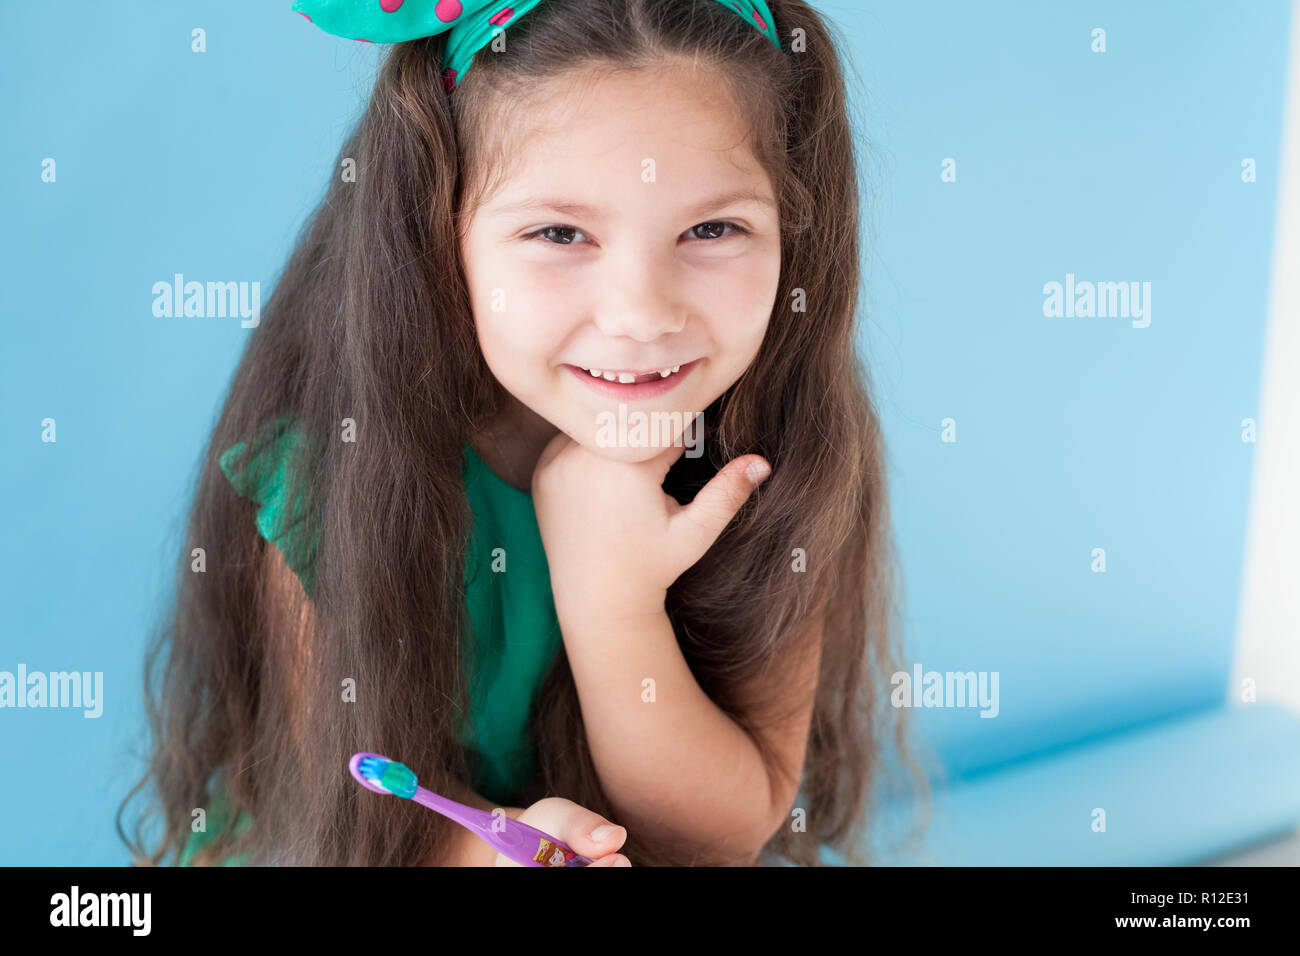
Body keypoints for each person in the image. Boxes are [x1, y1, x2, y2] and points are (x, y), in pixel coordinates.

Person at [118, 0, 925, 867]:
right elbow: (347, 807)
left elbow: (719, 833)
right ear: (436, 233)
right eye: (559, 233)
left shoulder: (778, 449)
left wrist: (611, 598)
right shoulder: (328, 476)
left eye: (712, 228)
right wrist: (493, 854)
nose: (641, 314)